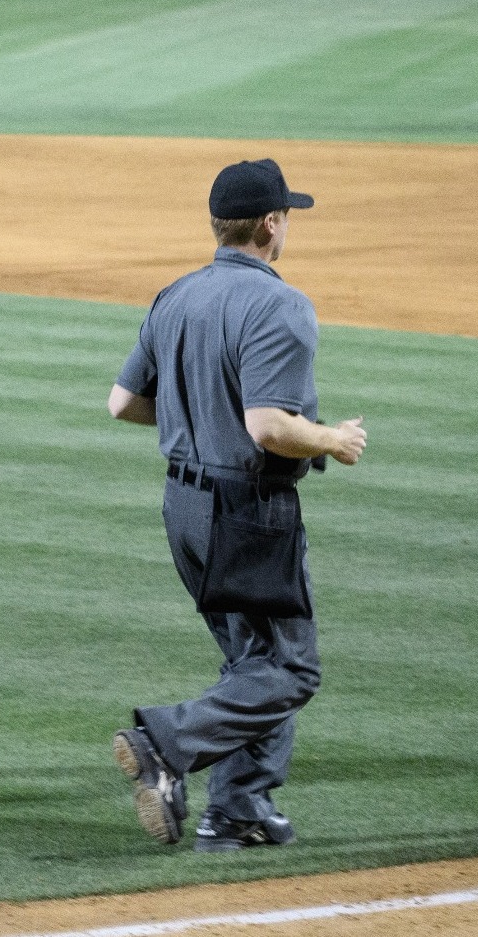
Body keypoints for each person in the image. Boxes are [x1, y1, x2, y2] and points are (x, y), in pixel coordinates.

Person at [105, 159, 368, 852]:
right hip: (246, 510)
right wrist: (332, 438)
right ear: (271, 224)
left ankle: (239, 807)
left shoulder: (175, 295)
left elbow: (123, 402)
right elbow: (268, 427)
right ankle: (164, 741)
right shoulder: (280, 304)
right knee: (290, 668)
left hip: (182, 510)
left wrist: (198, 419)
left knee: (255, 659)